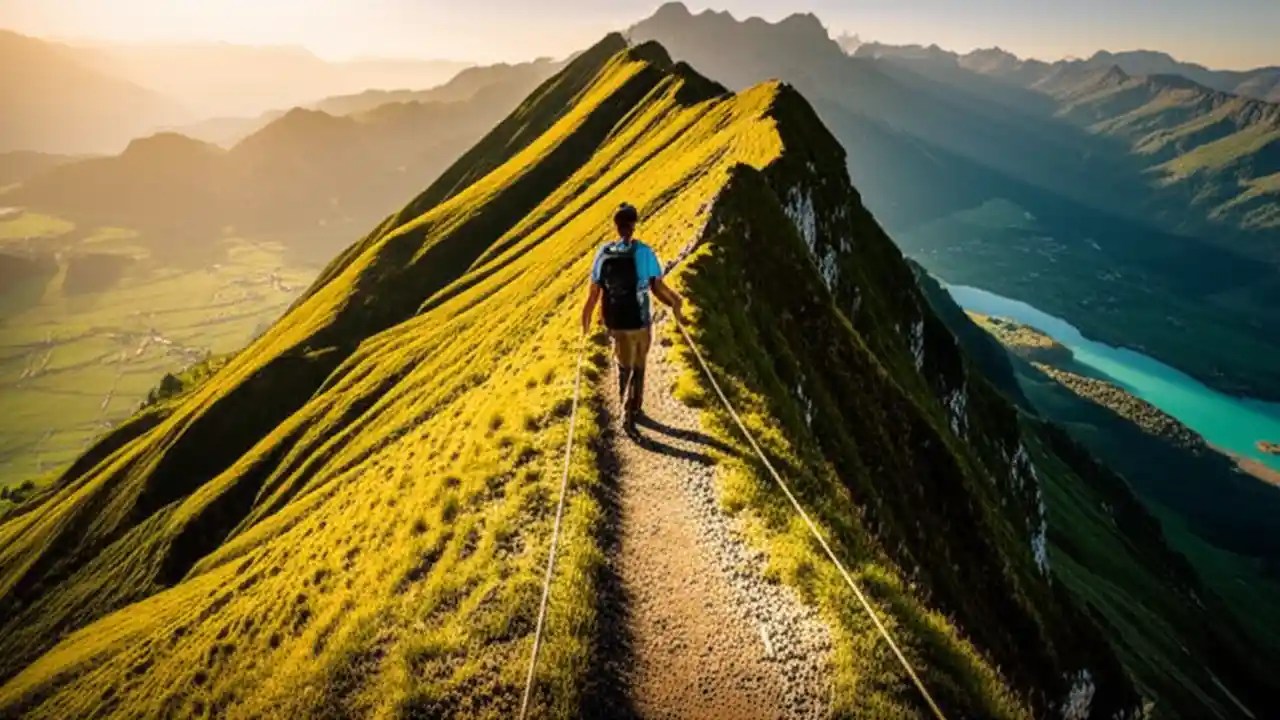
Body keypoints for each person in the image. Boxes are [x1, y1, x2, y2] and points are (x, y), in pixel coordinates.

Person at [581, 202, 685, 427]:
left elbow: (594, 293)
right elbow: (658, 289)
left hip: (615, 321)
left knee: (622, 361)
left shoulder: (603, 253)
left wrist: (586, 323)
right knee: (639, 362)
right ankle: (634, 407)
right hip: (640, 319)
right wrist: (676, 303)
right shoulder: (644, 252)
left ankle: (623, 403)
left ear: (616, 226)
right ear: (633, 225)